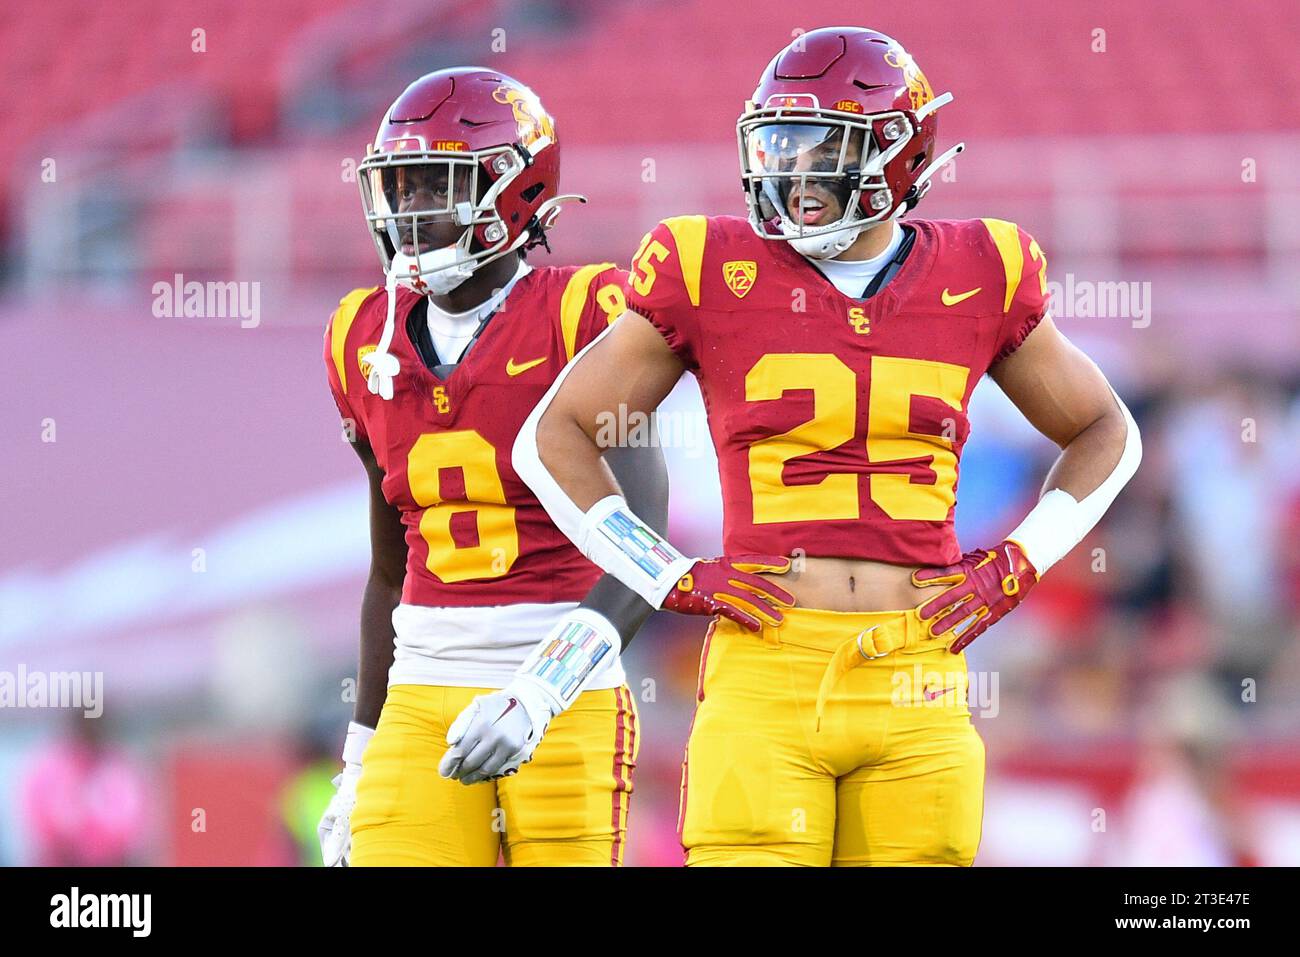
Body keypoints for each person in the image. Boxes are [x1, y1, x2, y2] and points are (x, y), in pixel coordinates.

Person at [498, 27, 1141, 865]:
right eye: (778, 145)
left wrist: (1015, 564)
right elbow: (554, 434)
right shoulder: (706, 264)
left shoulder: (985, 267)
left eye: (817, 148)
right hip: (768, 666)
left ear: (896, 151)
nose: (791, 173)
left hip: (918, 663)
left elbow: (1107, 431)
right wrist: (666, 572)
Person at [317, 67, 666, 866]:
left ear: (514, 190)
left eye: (434, 186)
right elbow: (388, 569)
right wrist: (359, 753)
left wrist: (542, 689)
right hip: (420, 685)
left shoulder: (586, 314)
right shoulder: (358, 336)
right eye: (398, 188)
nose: (409, 212)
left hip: (563, 682)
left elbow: (644, 540)